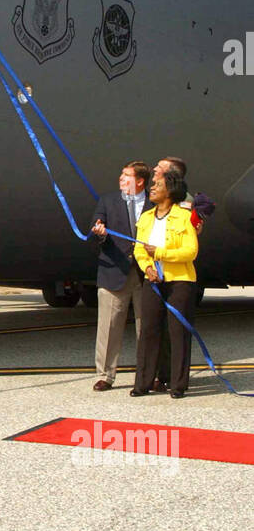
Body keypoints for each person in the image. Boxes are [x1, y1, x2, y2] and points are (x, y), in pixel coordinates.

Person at [131, 167, 199, 399]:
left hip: (179, 281)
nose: (151, 188)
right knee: (148, 330)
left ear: (170, 190)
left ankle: (178, 384)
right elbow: (139, 248)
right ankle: (143, 383)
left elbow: (190, 251)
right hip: (153, 280)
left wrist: (160, 253)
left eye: (157, 185)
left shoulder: (184, 217)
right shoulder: (146, 218)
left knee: (177, 332)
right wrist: (147, 267)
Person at [89, 161, 152, 390]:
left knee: (147, 327)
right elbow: (94, 234)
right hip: (114, 271)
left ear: (140, 181)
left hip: (146, 274)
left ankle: (148, 374)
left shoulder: (154, 202)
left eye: (127, 176)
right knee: (109, 326)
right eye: (122, 174)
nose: (121, 179)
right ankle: (105, 375)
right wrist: (100, 233)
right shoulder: (108, 201)